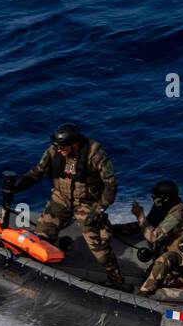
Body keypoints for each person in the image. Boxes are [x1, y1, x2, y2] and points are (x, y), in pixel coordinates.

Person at [12, 123, 123, 287]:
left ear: (75, 143)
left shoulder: (95, 154)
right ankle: (39, 268)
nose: (59, 150)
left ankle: (117, 281)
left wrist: (99, 209)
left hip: (87, 202)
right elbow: (38, 171)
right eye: (57, 146)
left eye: (63, 146)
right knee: (42, 235)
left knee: (98, 247)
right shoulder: (53, 151)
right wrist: (19, 185)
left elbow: (111, 185)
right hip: (61, 197)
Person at [130, 180, 183, 295]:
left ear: (165, 198)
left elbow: (153, 236)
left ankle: (143, 294)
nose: (154, 200)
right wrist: (115, 228)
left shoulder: (177, 215)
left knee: (164, 260)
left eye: (156, 197)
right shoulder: (164, 208)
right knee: (147, 275)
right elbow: (146, 225)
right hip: (176, 254)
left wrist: (140, 215)